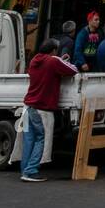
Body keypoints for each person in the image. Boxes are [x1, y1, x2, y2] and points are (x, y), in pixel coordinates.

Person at [19, 39, 77, 182]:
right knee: (41, 139)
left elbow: (48, 68)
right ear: (53, 51)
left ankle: (24, 169)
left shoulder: (34, 61)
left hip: (28, 106)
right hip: (42, 108)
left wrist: (59, 60)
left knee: (29, 140)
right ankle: (31, 171)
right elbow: (73, 70)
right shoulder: (53, 61)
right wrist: (62, 61)